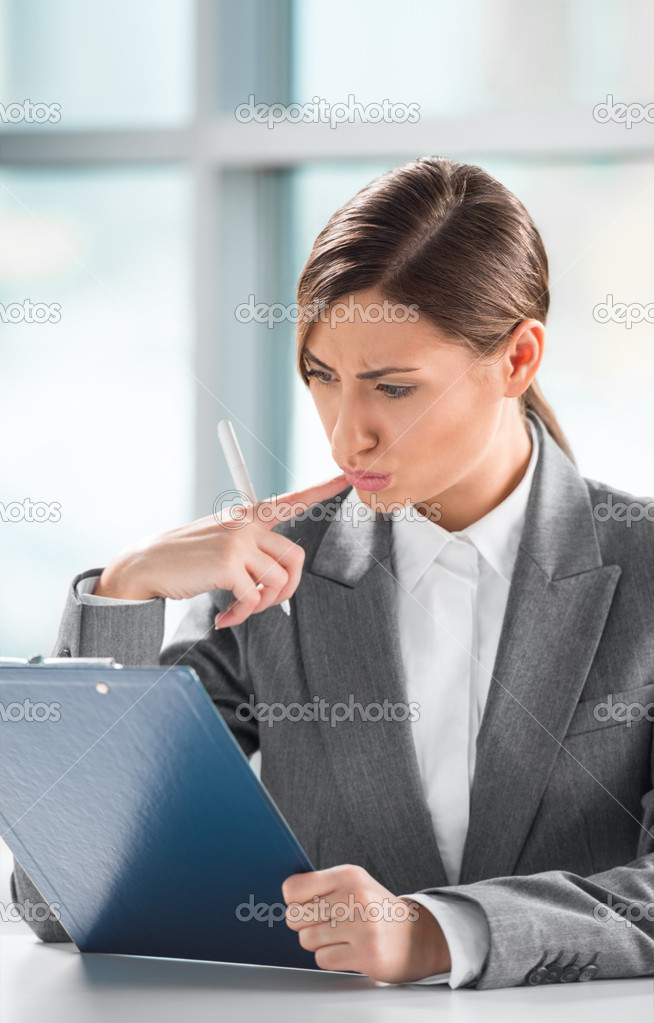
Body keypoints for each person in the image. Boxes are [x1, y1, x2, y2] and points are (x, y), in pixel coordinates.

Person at [12, 155, 654, 989]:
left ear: (518, 358)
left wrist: (439, 932)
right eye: (322, 377)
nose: (348, 436)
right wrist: (125, 591)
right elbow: (56, 898)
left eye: (393, 387)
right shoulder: (277, 577)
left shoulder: (638, 564)